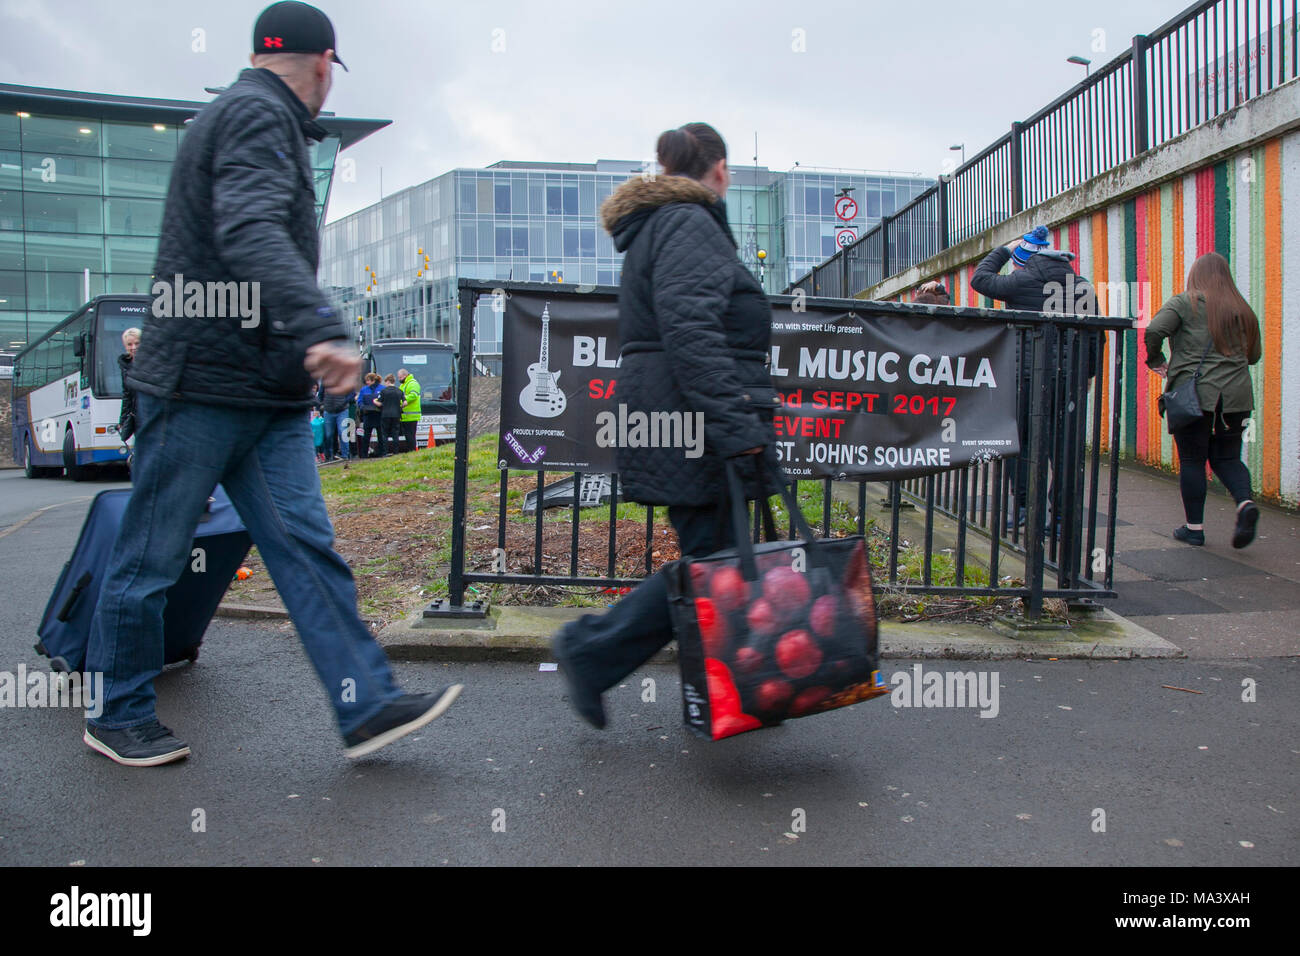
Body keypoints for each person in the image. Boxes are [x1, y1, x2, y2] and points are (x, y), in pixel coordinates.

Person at [84, 1, 460, 767]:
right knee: (152, 557)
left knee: (306, 551)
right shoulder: (254, 117)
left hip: (265, 395)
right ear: (325, 65)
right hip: (196, 387)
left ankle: (365, 703)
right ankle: (115, 712)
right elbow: (249, 230)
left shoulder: (257, 119)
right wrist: (321, 327)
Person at [550, 122, 779, 729]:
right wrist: (736, 426)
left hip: (678, 414)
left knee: (716, 558)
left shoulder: (666, 224)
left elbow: (686, 329)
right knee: (714, 560)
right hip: (692, 421)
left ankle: (721, 693)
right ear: (721, 172)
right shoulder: (689, 223)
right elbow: (693, 332)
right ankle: (592, 649)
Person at [970, 225, 1098, 532]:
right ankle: (1061, 514)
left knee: (1021, 442)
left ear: (1022, 257)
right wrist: (1088, 373)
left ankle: (1027, 507)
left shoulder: (1021, 279)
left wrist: (1005, 249)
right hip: (1069, 377)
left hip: (1025, 376)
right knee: (1064, 446)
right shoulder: (1082, 285)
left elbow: (980, 279)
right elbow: (1095, 336)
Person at [1145, 252, 1261, 548]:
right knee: (1228, 457)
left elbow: (1155, 329)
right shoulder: (1243, 309)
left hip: (1194, 396)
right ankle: (1245, 504)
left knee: (1193, 459)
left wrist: (1157, 358)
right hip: (1237, 398)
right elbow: (1253, 356)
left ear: (1196, 274)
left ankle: (1194, 528)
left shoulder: (1185, 302)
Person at [117, 327, 141, 446]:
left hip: (150, 413)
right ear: (125, 346)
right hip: (137, 416)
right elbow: (127, 394)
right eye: (129, 344)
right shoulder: (126, 366)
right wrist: (122, 420)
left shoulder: (150, 361)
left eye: (137, 343)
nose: (134, 347)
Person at [317, 377, 351, 460]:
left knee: (342, 431)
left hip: (342, 410)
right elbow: (320, 394)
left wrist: (344, 402)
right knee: (328, 434)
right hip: (328, 410)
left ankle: (345, 455)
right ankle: (329, 455)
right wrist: (320, 406)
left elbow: (351, 394)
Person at [356, 372, 382, 458]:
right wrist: (362, 406)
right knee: (366, 436)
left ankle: (381, 453)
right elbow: (360, 400)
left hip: (379, 415)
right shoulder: (364, 389)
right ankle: (364, 455)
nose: (367, 382)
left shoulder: (382, 388)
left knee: (381, 435)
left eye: (368, 380)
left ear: (373, 380)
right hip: (368, 415)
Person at [376, 373, 403, 456]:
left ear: (387, 381)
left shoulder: (384, 391)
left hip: (385, 414)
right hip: (396, 414)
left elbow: (379, 403)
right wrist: (399, 407)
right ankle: (396, 452)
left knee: (384, 434)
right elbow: (405, 402)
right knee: (395, 434)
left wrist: (374, 401)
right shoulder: (399, 391)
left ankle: (385, 452)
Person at [398, 367, 421, 453]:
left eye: (400, 377)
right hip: (405, 416)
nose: (399, 379)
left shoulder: (412, 383)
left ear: (405, 375)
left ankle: (412, 452)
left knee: (410, 436)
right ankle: (410, 452)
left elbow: (413, 395)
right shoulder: (403, 384)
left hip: (411, 415)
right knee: (408, 436)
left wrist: (402, 400)